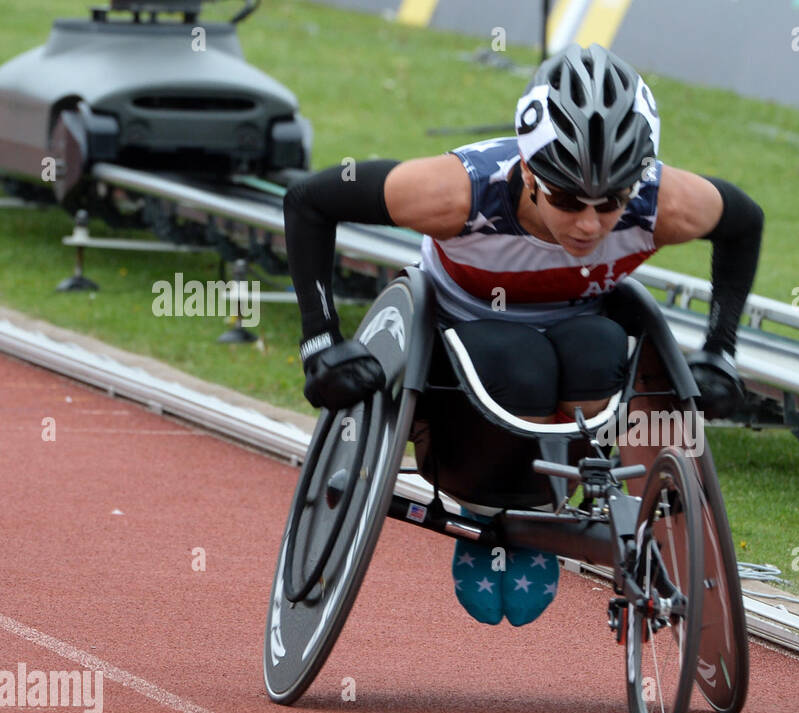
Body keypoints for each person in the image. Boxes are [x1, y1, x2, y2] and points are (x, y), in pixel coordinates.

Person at [282, 42, 763, 626]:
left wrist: (721, 349)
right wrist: (320, 343)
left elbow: (745, 222)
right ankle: (488, 510)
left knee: (600, 349)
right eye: (566, 200)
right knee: (518, 362)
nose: (589, 224)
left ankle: (545, 505)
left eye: (611, 202)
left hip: (580, 327)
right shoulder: (457, 193)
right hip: (464, 337)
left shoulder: (666, 204)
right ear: (531, 172)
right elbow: (309, 201)